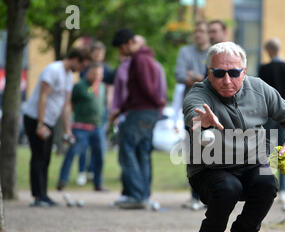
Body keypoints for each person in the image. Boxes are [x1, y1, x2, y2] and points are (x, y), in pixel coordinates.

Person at [183, 42, 285, 232]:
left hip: (253, 163)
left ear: (244, 71)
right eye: (219, 73)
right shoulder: (199, 93)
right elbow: (193, 113)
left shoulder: (260, 89)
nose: (226, 79)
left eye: (234, 73)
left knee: (268, 183)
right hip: (210, 166)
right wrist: (200, 122)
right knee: (228, 187)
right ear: (209, 73)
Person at [23, 47, 88, 207]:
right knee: (38, 156)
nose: (81, 70)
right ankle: (38, 196)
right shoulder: (53, 70)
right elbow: (42, 97)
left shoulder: (68, 77)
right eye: (82, 65)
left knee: (46, 157)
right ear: (75, 59)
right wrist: (40, 124)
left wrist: (67, 130)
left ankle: (44, 194)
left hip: (49, 122)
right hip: (35, 118)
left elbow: (66, 105)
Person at [110, 28, 166, 209]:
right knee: (142, 151)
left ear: (128, 43)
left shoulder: (139, 60)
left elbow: (146, 87)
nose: (120, 52)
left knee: (126, 149)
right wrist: (120, 110)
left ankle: (135, 195)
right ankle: (143, 195)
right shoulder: (147, 58)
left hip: (141, 112)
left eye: (120, 48)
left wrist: (159, 102)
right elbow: (135, 93)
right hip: (148, 111)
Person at [174, 21, 210, 211]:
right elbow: (179, 74)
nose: (199, 34)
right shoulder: (185, 52)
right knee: (193, 152)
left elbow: (212, 78)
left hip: (212, 108)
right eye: (196, 31)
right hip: (192, 109)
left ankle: (211, 194)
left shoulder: (214, 52)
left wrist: (195, 77)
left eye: (202, 31)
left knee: (212, 151)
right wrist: (202, 78)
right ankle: (195, 195)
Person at [56, 63, 107, 192]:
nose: (97, 76)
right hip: (81, 127)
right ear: (88, 73)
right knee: (72, 153)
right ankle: (63, 179)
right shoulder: (79, 86)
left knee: (100, 156)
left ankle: (98, 183)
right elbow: (70, 104)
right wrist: (69, 124)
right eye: (95, 73)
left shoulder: (102, 87)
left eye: (100, 74)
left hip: (97, 127)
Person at [258, 38, 285, 212]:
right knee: (284, 152)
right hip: (284, 115)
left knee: (268, 150)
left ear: (269, 51)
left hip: (269, 115)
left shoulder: (264, 69)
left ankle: (269, 186)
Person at [77, 41, 115, 186]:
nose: (98, 55)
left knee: (98, 143)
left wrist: (109, 105)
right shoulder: (85, 69)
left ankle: (93, 171)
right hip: (85, 112)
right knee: (83, 143)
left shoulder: (107, 70)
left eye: (101, 53)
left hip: (101, 110)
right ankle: (82, 171)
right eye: (96, 52)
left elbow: (110, 89)